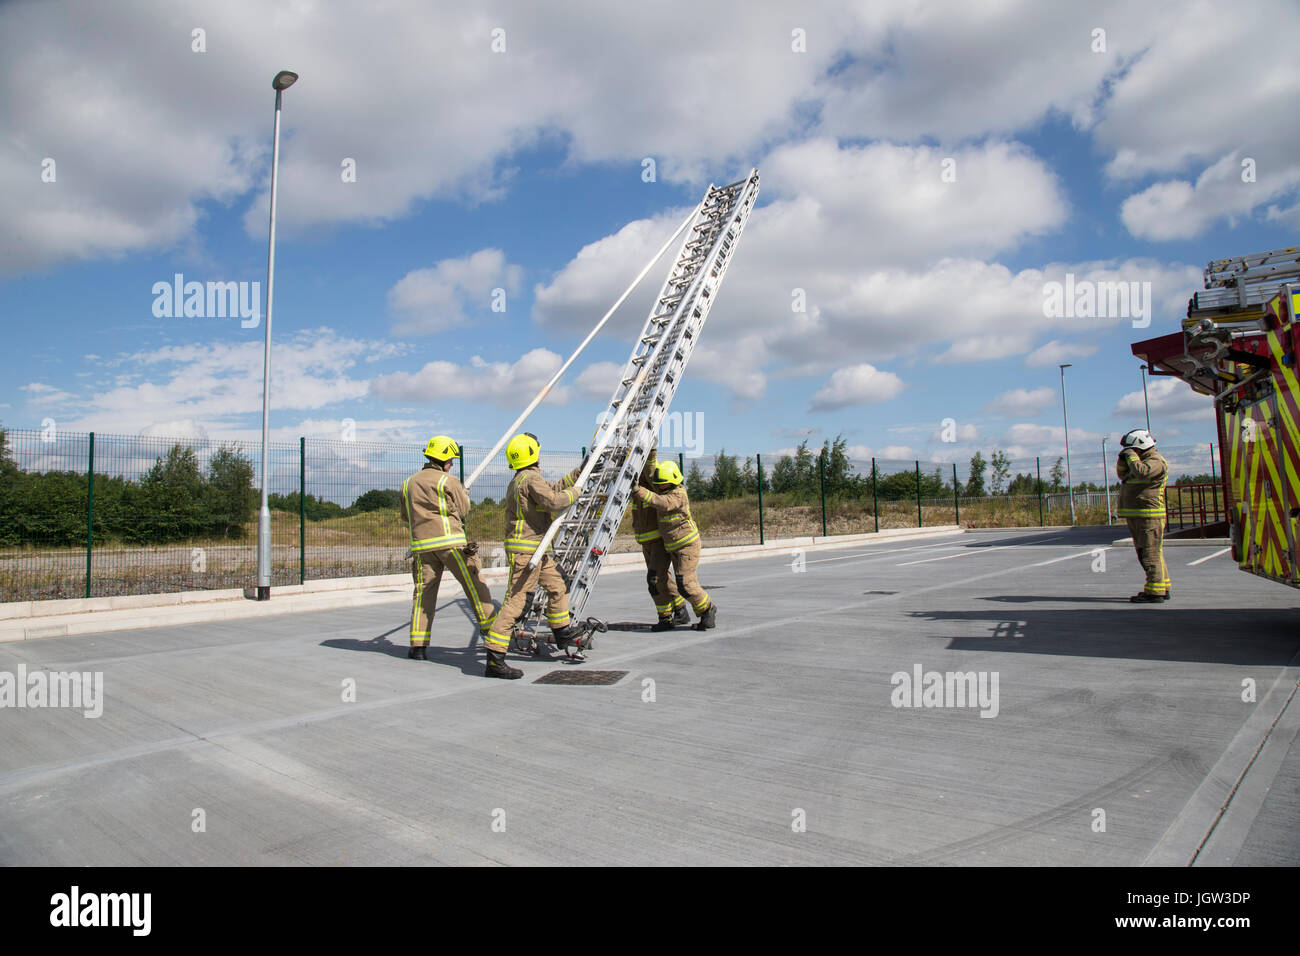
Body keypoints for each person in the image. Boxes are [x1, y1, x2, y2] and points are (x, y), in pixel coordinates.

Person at [482, 433, 591, 678]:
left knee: (558, 585)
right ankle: (494, 657)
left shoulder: (523, 478)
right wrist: (577, 491)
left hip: (537, 550)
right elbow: (553, 500)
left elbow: (550, 490)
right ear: (533, 453)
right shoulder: (530, 478)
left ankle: (562, 631)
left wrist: (578, 472)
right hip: (528, 550)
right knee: (517, 601)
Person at [400, 436, 495, 659]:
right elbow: (463, 511)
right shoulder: (447, 481)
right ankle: (494, 637)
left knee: (423, 595)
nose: (451, 463)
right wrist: (462, 496)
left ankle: (418, 646)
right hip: (451, 544)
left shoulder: (408, 483)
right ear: (442, 460)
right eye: (450, 460)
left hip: (422, 548)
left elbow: (406, 516)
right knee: (475, 587)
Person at [631, 460, 716, 629]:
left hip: (686, 546)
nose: (660, 487)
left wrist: (638, 490)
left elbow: (661, 503)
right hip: (670, 545)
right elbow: (650, 473)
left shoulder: (678, 494)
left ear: (674, 481)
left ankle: (708, 610)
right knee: (655, 580)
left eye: (663, 485)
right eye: (659, 485)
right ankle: (665, 619)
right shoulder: (664, 489)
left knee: (685, 584)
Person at [631, 448, 691, 631]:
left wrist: (651, 447)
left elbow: (650, 466)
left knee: (655, 579)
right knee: (661, 578)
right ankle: (679, 609)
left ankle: (666, 617)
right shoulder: (634, 479)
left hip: (656, 539)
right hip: (645, 539)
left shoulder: (653, 480)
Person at [1116, 428, 1170, 603]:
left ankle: (1155, 592)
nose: (1132, 453)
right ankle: (1162, 586)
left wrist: (1131, 457)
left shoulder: (1155, 461)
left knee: (1149, 554)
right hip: (1140, 515)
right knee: (1151, 552)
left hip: (1149, 516)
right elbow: (1122, 474)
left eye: (1133, 449)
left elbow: (1142, 472)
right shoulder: (1140, 460)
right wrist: (1123, 458)